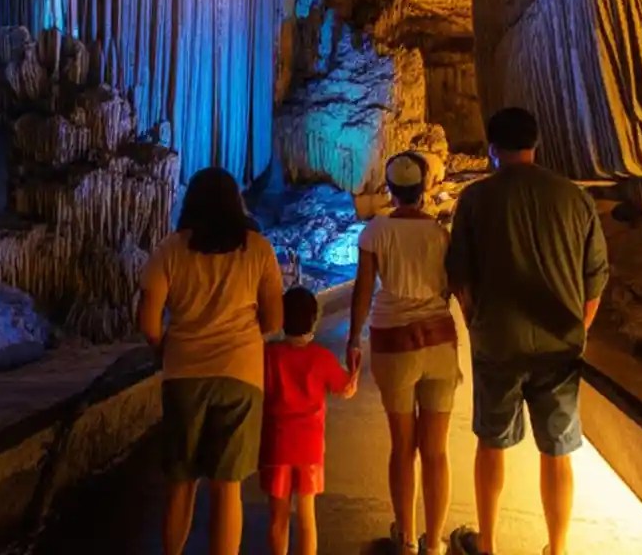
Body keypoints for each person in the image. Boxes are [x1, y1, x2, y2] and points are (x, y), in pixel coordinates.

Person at [444, 107, 609, 555]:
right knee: (558, 449)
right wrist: (580, 328)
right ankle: (557, 548)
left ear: (494, 150)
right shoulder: (575, 199)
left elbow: (459, 275)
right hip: (560, 343)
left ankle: (489, 543)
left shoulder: (477, 199)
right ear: (536, 145)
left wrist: (476, 318)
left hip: (498, 339)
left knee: (491, 441)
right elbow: (594, 278)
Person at [137, 167, 285, 555]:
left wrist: (162, 346)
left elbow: (148, 320)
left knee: (181, 482)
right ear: (235, 204)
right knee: (227, 487)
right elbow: (273, 320)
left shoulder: (170, 250)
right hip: (240, 376)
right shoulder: (258, 250)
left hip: (183, 374)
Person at [347, 151, 461, 555]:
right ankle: (435, 542)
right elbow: (453, 287)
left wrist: (352, 339)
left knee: (403, 446)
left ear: (391, 188)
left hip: (392, 344)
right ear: (424, 188)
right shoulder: (439, 233)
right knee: (436, 450)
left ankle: (408, 539)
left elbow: (363, 291)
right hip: (438, 342)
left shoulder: (375, 231)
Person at [261, 286, 360, 555]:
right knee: (306, 519)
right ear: (313, 320)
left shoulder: (269, 356)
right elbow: (346, 389)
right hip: (309, 450)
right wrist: (355, 369)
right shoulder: (321, 358)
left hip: (276, 445)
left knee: (277, 518)